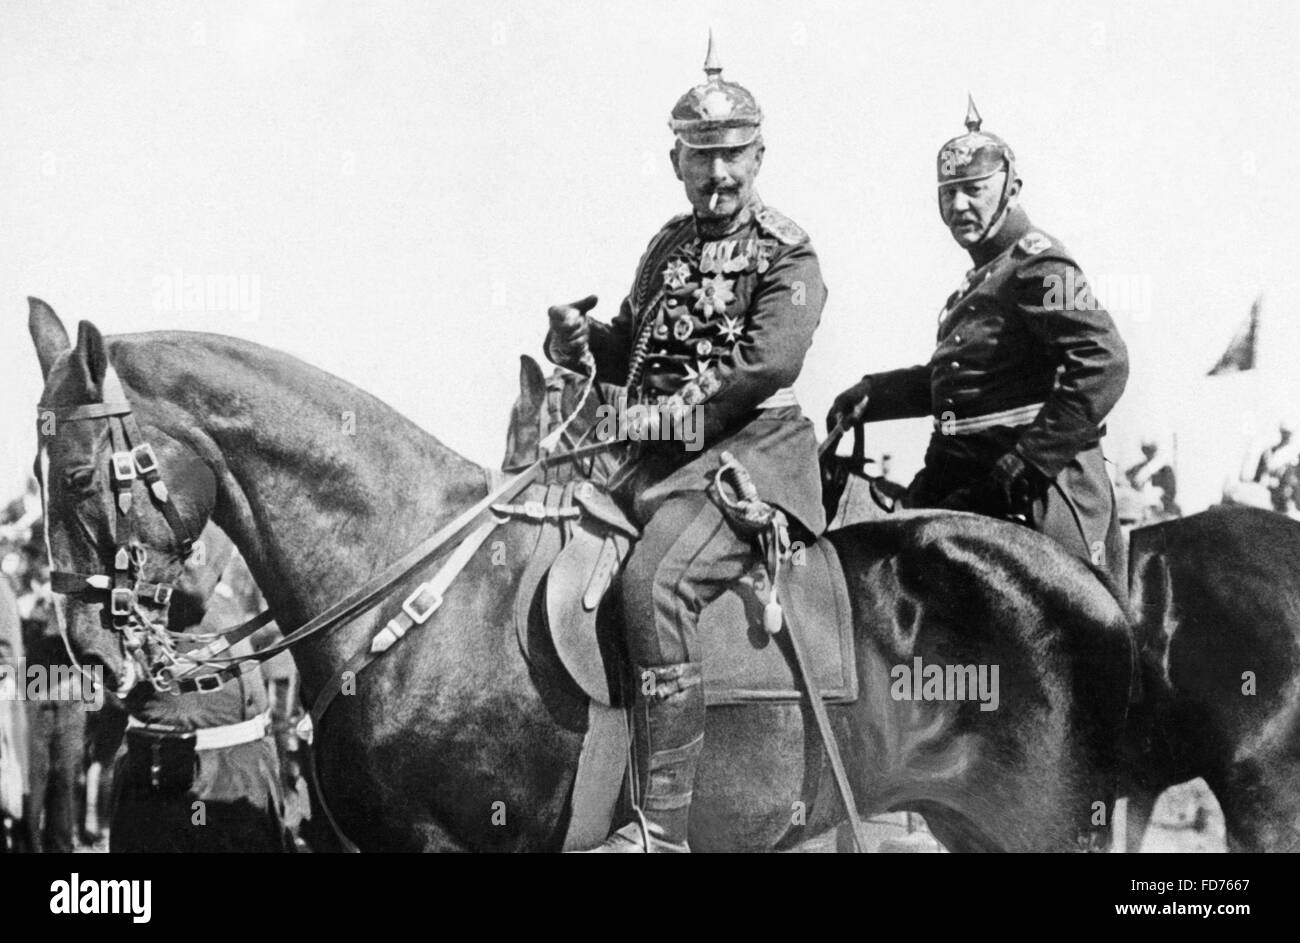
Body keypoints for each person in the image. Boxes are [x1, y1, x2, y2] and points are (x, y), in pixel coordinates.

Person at [545, 35, 827, 852]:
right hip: (659, 467)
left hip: (752, 462)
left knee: (653, 581)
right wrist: (580, 341)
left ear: (760, 154)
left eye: (734, 155)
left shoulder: (787, 251)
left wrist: (657, 420)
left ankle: (660, 830)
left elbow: (764, 363)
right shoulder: (667, 247)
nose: (719, 174)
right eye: (701, 157)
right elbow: (633, 346)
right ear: (676, 161)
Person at [827, 97, 1129, 589]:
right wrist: (873, 393)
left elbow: (1105, 362)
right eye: (948, 193)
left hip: (1034, 489)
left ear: (1010, 189)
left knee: (1076, 632)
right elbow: (962, 389)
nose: (959, 205)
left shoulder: (1039, 263)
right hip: (962, 483)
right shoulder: (976, 283)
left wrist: (1030, 460)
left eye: (974, 190)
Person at [1125, 438, 1180, 519]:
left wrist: (1161, 501)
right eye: (1146, 450)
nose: (1148, 452)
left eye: (1150, 449)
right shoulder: (1139, 468)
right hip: (1143, 509)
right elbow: (1128, 478)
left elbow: (1171, 490)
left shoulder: (1165, 468)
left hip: (1162, 509)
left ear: (1155, 450)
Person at [1254, 421, 1299, 514]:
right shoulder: (1269, 452)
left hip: (1286, 499)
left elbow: (1294, 480)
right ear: (1281, 432)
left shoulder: (1294, 456)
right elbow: (1257, 477)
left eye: (1289, 433)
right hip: (1266, 494)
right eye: (1284, 433)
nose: (1286, 436)